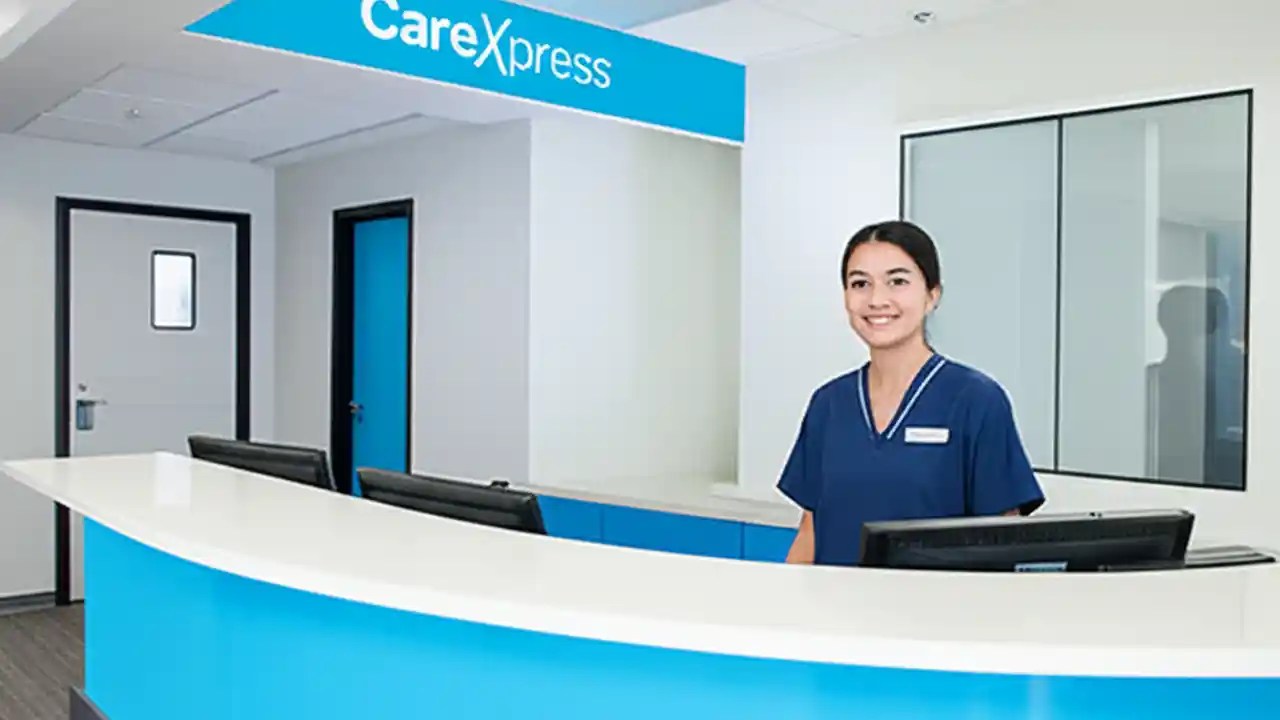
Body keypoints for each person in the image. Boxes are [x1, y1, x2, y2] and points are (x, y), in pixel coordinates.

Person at [778, 220, 1045, 566]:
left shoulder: (975, 401)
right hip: (834, 615)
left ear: (932, 295)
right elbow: (811, 533)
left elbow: (1001, 543)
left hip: (936, 616)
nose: (877, 299)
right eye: (860, 283)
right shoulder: (829, 405)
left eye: (897, 281)